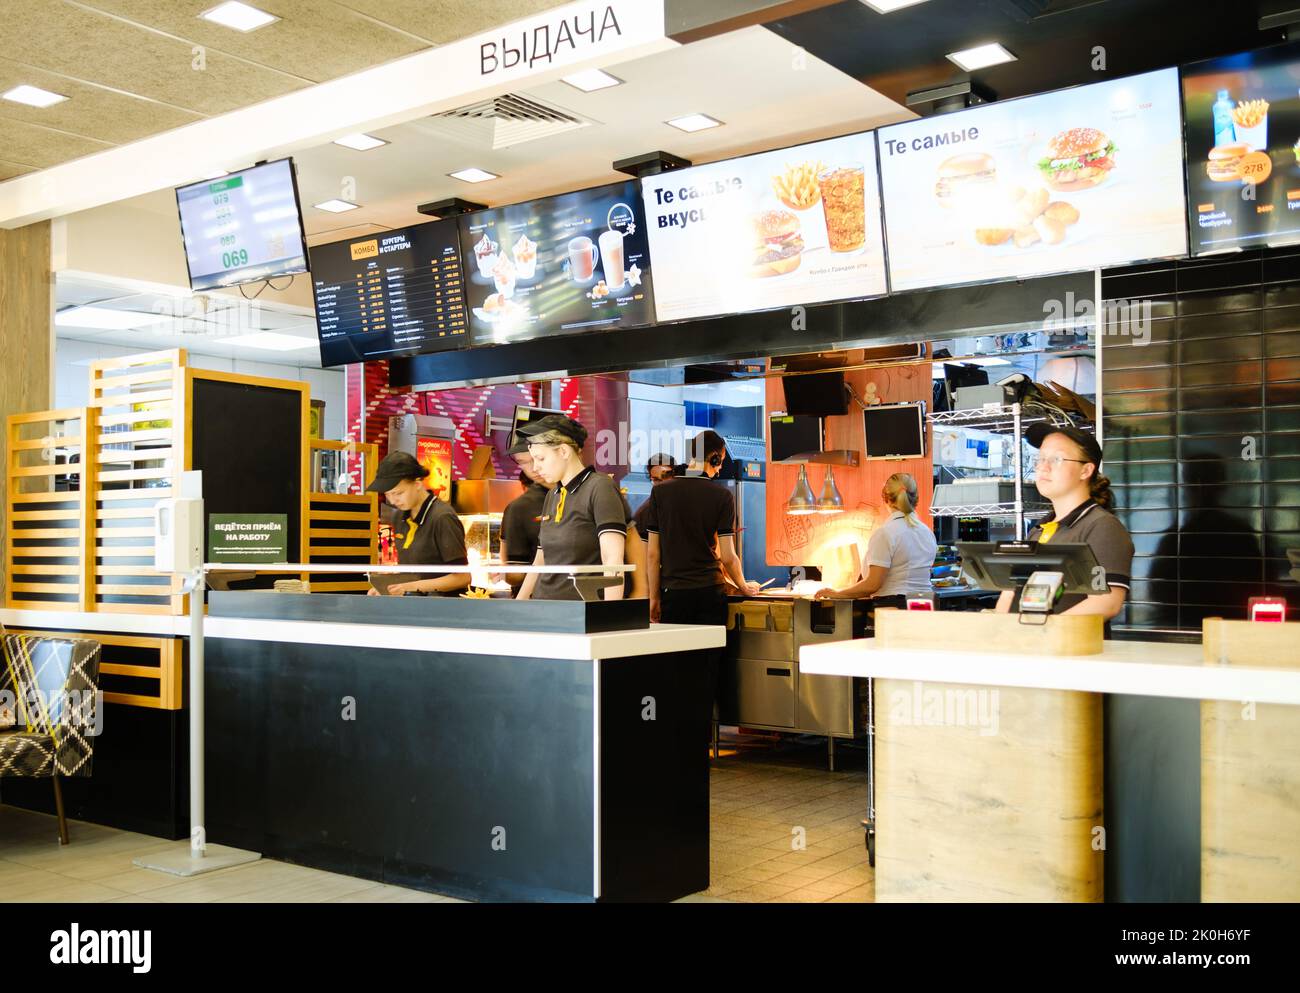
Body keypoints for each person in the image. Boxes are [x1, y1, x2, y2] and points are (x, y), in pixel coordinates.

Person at [996, 424, 1133, 624]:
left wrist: (1041, 631)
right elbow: (1010, 593)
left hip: (1071, 652)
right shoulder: (1039, 529)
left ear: (1085, 470)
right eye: (1040, 458)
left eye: (1056, 459)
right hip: (1027, 650)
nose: (1043, 466)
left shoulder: (1102, 526)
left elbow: (1106, 603)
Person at [514, 414, 628, 602]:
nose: (535, 468)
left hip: (582, 610)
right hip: (543, 608)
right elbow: (540, 561)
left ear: (564, 451)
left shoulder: (600, 487)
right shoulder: (553, 494)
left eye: (540, 458)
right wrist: (518, 606)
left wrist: (610, 613)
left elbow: (613, 560)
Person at [815, 473, 937, 607]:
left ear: (886, 499)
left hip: (895, 606)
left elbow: (872, 584)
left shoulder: (886, 533)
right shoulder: (927, 532)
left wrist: (837, 593)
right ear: (916, 500)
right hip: (925, 604)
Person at [366, 450, 469, 596]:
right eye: (388, 494)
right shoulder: (398, 517)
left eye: (398, 493)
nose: (393, 501)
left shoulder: (442, 518)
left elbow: (462, 578)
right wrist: (386, 588)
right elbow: (407, 572)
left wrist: (410, 587)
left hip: (444, 609)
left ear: (418, 483)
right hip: (412, 606)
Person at [498, 436, 550, 595]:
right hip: (537, 603)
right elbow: (516, 572)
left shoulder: (591, 490)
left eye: (538, 458)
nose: (534, 468)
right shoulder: (519, 508)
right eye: (523, 462)